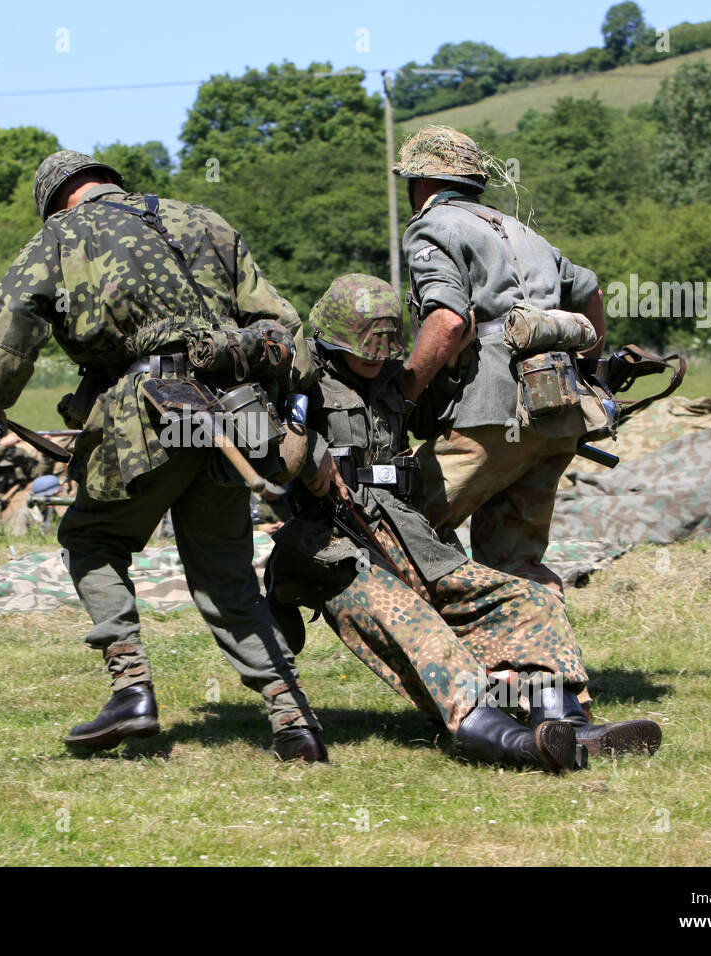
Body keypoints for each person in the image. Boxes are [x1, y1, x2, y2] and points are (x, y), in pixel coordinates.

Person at [0, 149, 326, 762]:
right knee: (227, 575)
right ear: (109, 183)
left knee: (93, 542)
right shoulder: (205, 219)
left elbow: (12, 321)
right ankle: (294, 721)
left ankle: (130, 690)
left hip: (146, 414)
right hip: (229, 417)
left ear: (55, 199)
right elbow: (280, 325)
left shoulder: (61, 234)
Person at [266, 274, 661, 767]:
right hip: (334, 551)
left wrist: (453, 365)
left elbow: (433, 416)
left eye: (382, 353)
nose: (374, 362)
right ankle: (507, 740)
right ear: (331, 339)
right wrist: (307, 452)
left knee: (527, 599)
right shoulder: (299, 384)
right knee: (416, 626)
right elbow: (263, 438)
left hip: (410, 537)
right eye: (363, 353)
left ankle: (566, 725)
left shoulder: (390, 381)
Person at [396, 125, 606, 596]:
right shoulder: (523, 230)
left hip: (489, 413)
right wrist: (591, 369)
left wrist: (404, 392)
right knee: (518, 562)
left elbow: (448, 320)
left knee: (401, 527)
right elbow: (589, 289)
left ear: (421, 181)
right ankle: (541, 666)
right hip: (559, 413)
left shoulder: (433, 226)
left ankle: (445, 658)